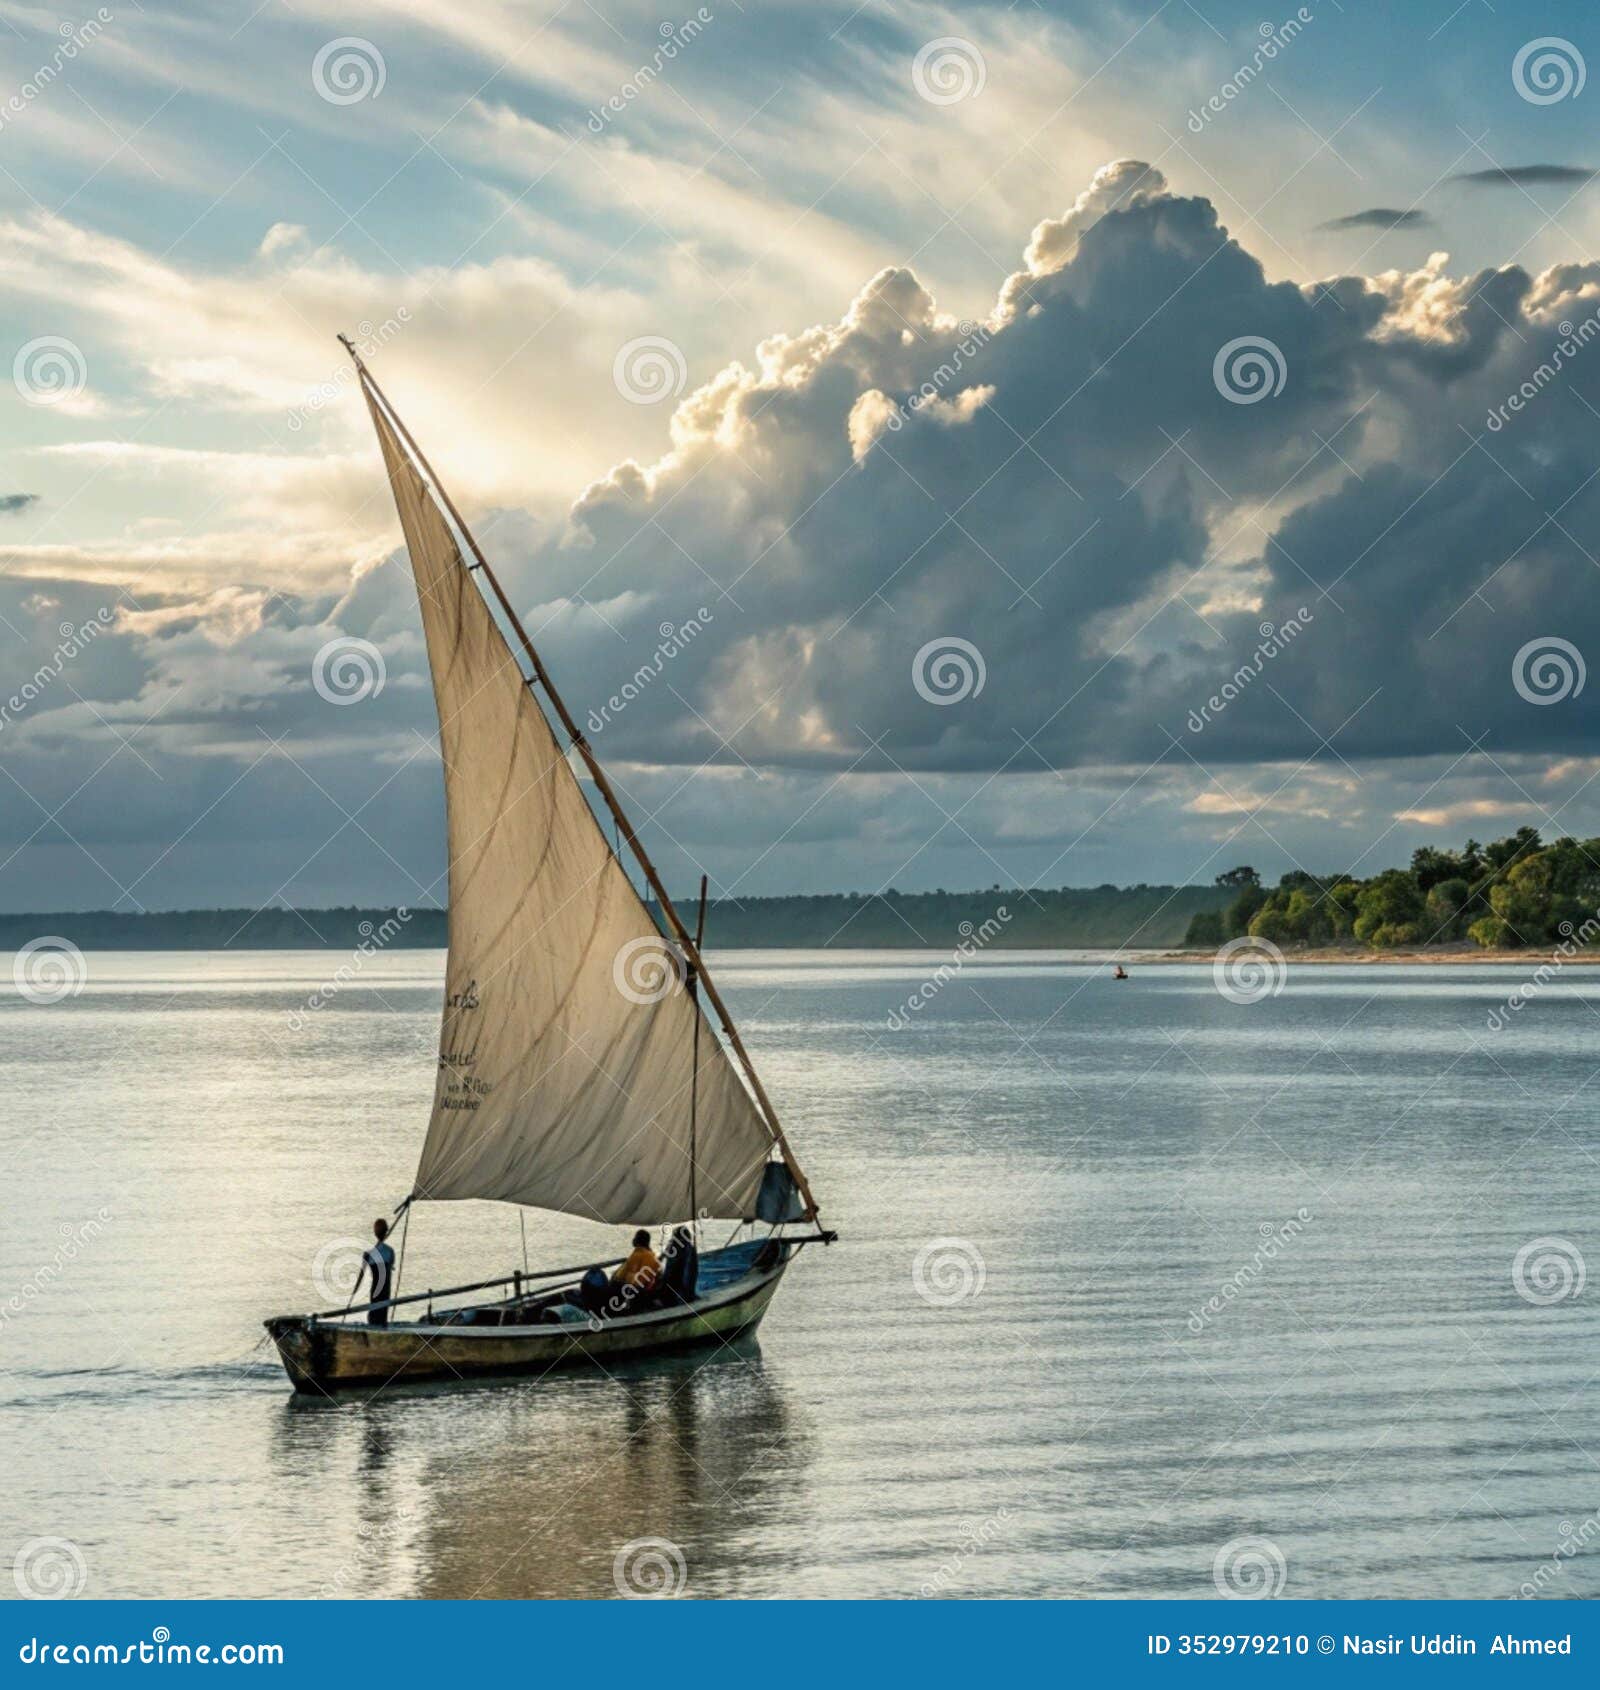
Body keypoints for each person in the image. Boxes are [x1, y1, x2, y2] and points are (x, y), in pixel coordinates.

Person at [363, 1218, 396, 1328]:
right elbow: (391, 1264)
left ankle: (374, 1325)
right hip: (385, 1289)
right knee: (382, 1314)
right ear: (386, 1232)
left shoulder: (369, 1254)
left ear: (375, 1233)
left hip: (376, 1289)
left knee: (375, 1312)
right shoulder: (390, 1251)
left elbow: (361, 1276)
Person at [661, 1225, 699, 1304]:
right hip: (682, 1291)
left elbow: (685, 1273)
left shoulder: (682, 1250)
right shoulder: (686, 1248)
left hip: (679, 1293)